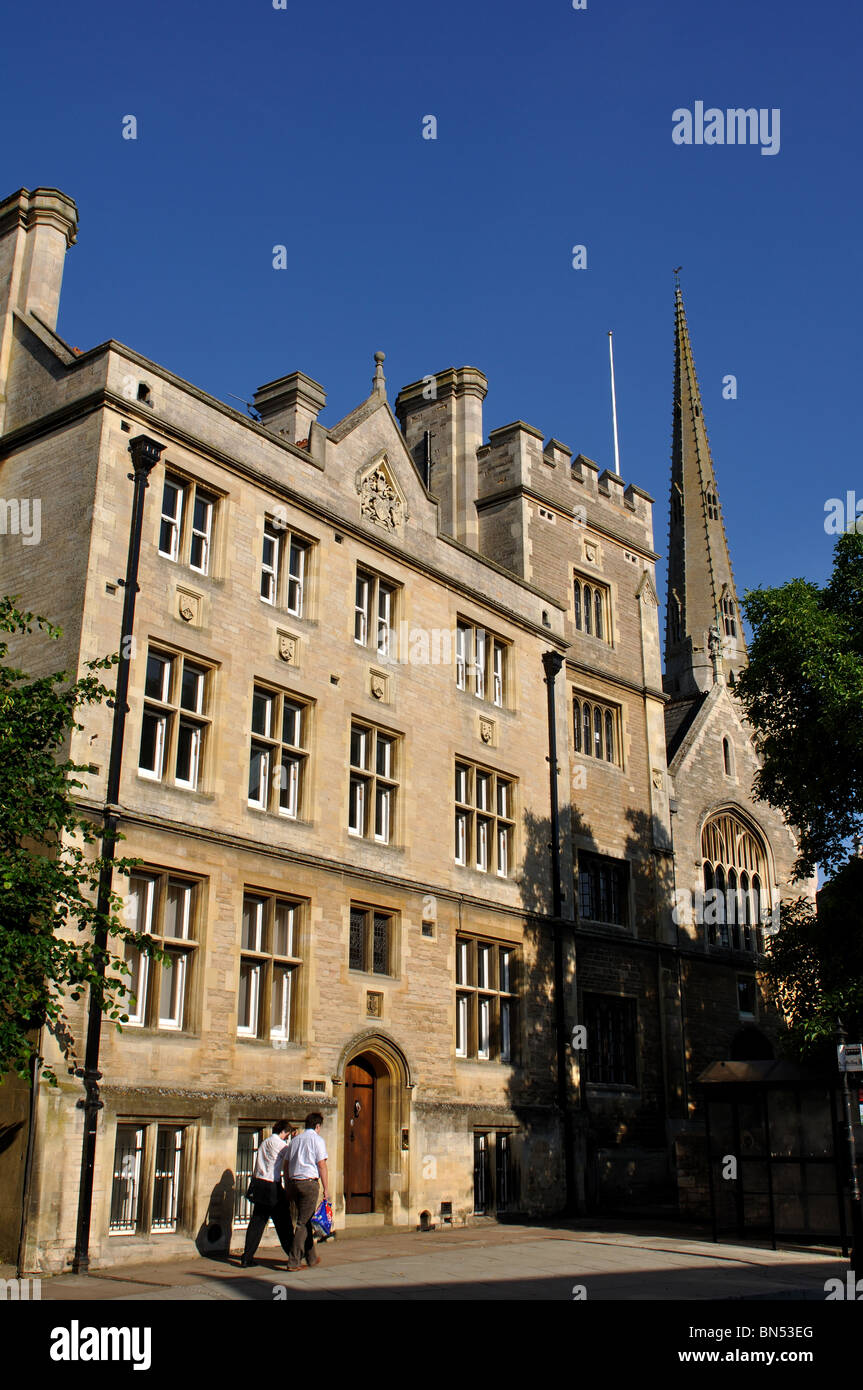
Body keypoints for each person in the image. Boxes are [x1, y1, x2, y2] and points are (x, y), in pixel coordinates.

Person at [240, 1120, 295, 1267]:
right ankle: (293, 1255)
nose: (287, 1137)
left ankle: (247, 1256)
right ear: (284, 1132)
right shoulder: (281, 1145)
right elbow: (291, 1159)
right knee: (283, 1223)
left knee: (257, 1222)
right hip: (272, 1185)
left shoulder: (264, 1143)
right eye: (287, 1134)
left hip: (259, 1183)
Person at [284, 1112, 330, 1270]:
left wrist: (287, 1183)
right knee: (303, 1223)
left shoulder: (296, 1140)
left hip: (294, 1182)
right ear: (317, 1126)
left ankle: (311, 1258)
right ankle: (293, 1261)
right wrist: (326, 1189)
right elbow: (322, 1165)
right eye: (320, 1127)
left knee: (306, 1218)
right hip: (309, 1184)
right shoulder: (317, 1140)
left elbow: (286, 1163)